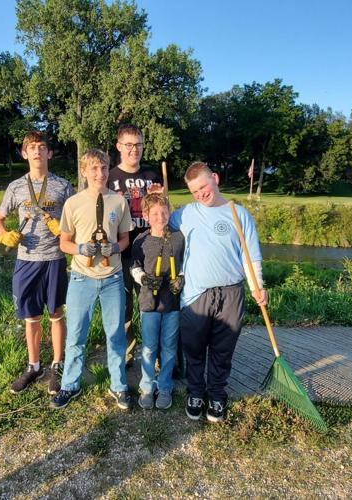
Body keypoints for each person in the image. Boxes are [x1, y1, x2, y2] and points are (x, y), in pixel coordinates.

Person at [170, 162, 267, 423]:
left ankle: (216, 393)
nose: (201, 194)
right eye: (194, 191)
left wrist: (258, 285)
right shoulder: (185, 214)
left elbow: (251, 257)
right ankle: (195, 392)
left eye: (203, 187)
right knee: (194, 347)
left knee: (223, 349)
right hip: (195, 295)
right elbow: (160, 221)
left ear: (215, 178)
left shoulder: (239, 213)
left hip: (231, 293)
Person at [0, 131, 74, 396]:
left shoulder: (62, 186)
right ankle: (34, 366)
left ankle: (57, 365)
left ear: (49, 153)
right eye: (31, 147)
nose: (37, 151)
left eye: (42, 147)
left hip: (54, 258)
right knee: (31, 317)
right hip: (26, 260)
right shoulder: (16, 187)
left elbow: (74, 223)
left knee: (56, 314)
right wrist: (3, 234)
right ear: (24, 153)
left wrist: (62, 229)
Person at [51, 149, 134, 410]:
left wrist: (116, 249)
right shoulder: (73, 203)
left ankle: (118, 386)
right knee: (76, 334)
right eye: (94, 169)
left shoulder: (119, 202)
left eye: (104, 168)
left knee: (116, 335)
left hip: (112, 279)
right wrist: (80, 249)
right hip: (81, 278)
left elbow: (125, 239)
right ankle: (70, 385)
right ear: (84, 171)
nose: (100, 173)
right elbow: (63, 243)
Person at [107, 124, 163, 359]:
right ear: (119, 146)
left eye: (138, 144)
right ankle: (128, 354)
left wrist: (162, 197)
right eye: (129, 144)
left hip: (148, 251)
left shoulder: (152, 177)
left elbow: (162, 211)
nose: (134, 149)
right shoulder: (110, 177)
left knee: (152, 303)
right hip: (121, 252)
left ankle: (156, 355)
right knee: (123, 307)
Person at [129, 193, 185, 410]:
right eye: (155, 214)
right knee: (149, 347)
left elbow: (185, 264)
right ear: (146, 216)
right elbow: (134, 266)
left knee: (169, 347)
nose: (160, 217)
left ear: (169, 212)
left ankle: (165, 386)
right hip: (148, 304)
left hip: (172, 303)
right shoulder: (140, 241)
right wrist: (143, 278)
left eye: (164, 212)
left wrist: (181, 278)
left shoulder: (179, 238)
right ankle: (146, 387)